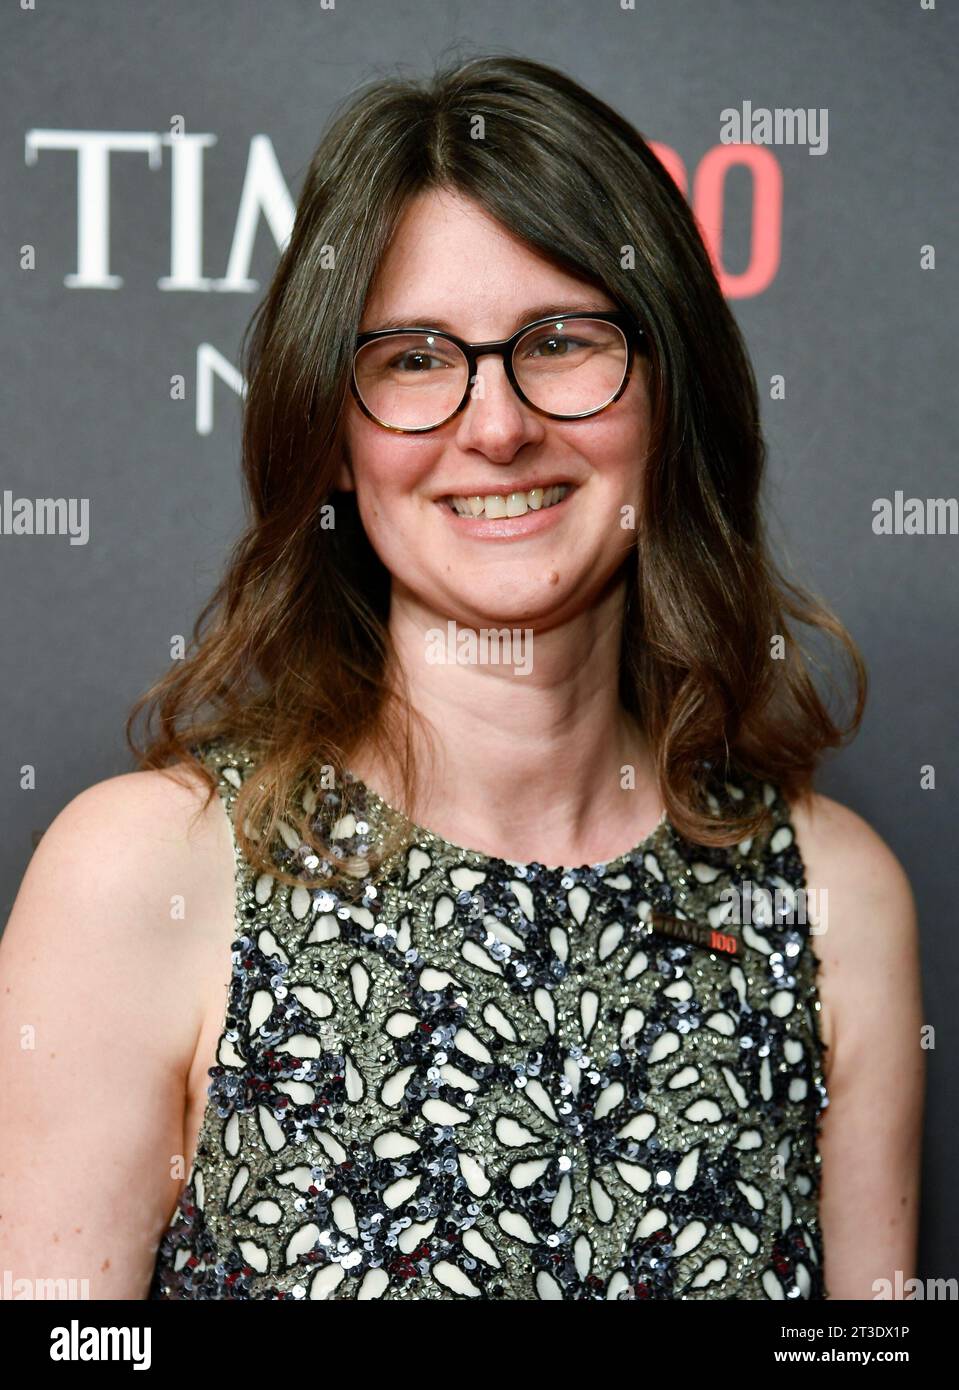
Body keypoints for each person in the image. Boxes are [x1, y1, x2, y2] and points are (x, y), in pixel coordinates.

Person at [0, 54, 923, 1301]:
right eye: (416, 359)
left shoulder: (831, 902)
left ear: (670, 398)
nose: (496, 426)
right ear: (330, 437)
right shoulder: (143, 879)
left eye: (560, 341)